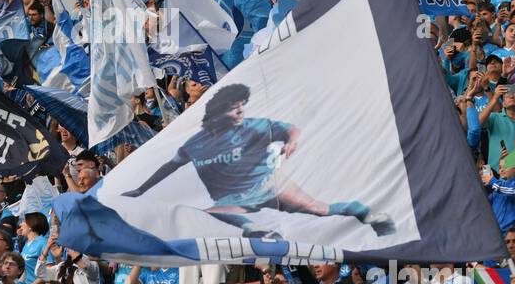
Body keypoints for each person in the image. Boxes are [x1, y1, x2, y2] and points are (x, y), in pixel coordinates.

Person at [121, 82, 392, 237]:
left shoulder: (253, 125)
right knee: (210, 213)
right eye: (234, 106)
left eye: (242, 105)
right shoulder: (195, 142)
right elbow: (169, 167)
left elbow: (290, 129)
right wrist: (141, 190)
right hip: (233, 199)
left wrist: (291, 142)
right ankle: (259, 232)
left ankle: (360, 210)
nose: (240, 110)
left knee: (316, 209)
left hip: (270, 184)